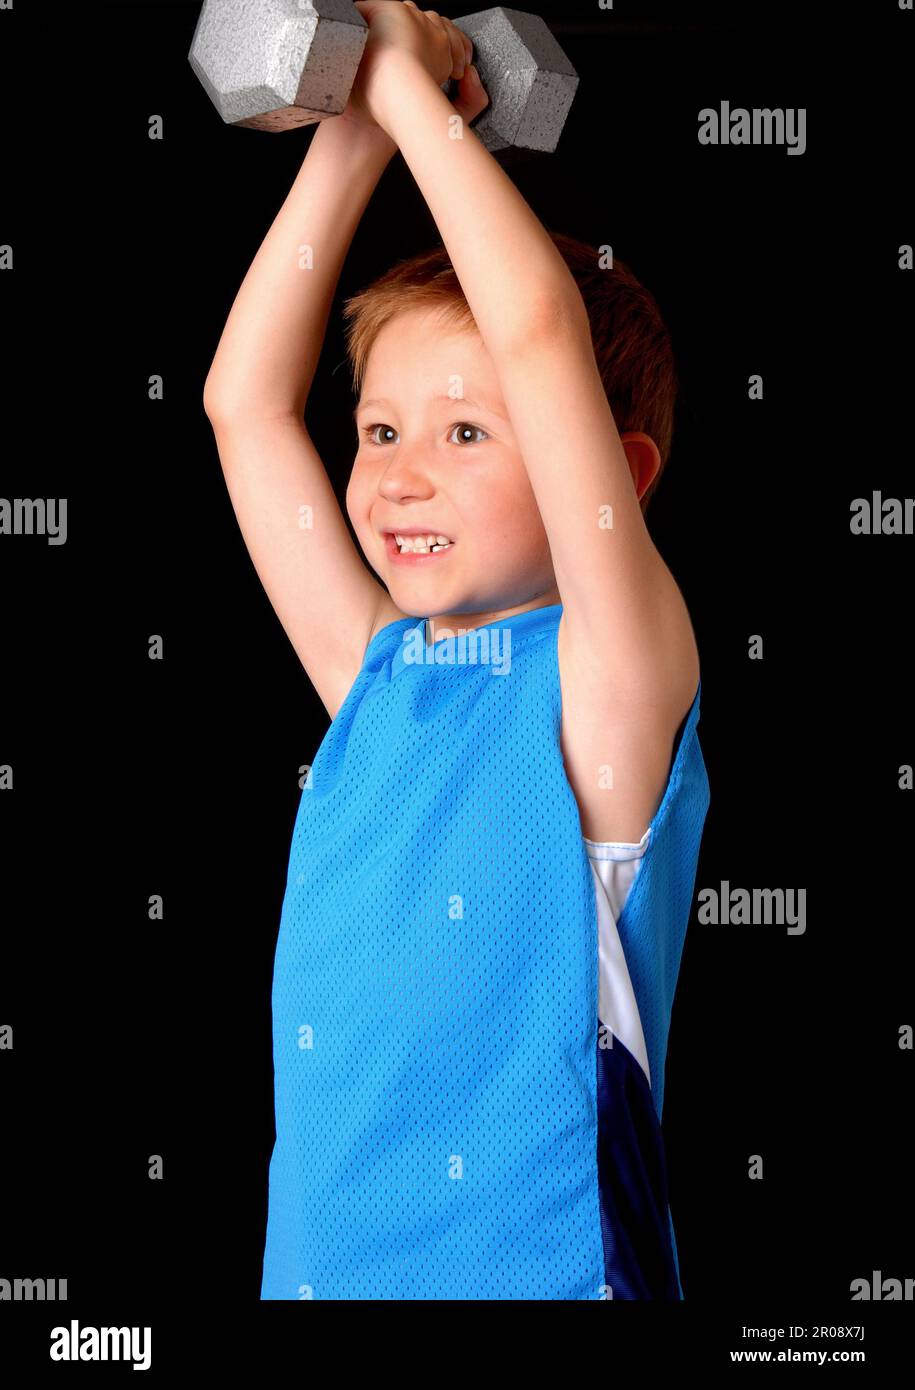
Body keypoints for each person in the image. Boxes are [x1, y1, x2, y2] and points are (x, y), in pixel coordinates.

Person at [203, 0, 710, 1300]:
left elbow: (541, 332)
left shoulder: (611, 683)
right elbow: (246, 405)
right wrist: (354, 134)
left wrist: (414, 93)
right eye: (378, 434)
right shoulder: (378, 679)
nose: (401, 478)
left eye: (466, 434)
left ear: (619, 474)